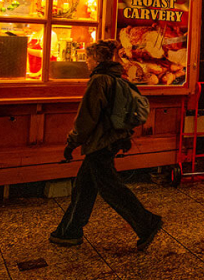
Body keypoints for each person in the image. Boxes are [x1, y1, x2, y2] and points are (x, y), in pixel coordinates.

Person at [51, 39, 162, 249]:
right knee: (84, 187)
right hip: (111, 140)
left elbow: (86, 119)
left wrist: (71, 142)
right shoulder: (117, 78)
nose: (86, 63)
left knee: (111, 189)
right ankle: (70, 230)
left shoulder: (99, 81)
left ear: (96, 59)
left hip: (101, 143)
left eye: (88, 58)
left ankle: (147, 223)